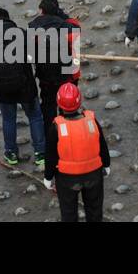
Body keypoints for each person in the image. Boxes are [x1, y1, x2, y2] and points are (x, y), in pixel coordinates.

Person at [0, 8, 45, 168]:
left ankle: (11, 153)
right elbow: (34, 54)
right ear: (8, 18)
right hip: (25, 85)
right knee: (35, 117)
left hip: (3, 87)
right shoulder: (20, 33)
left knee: (8, 119)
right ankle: (40, 154)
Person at [43, 83, 109, 222]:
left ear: (59, 103)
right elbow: (102, 143)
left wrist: (48, 177)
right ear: (79, 102)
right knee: (95, 211)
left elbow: (51, 156)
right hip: (94, 175)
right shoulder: (91, 120)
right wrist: (106, 164)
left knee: (69, 214)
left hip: (67, 179)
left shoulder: (56, 127)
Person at [29, 0, 81, 134]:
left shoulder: (32, 26)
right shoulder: (66, 26)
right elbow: (76, 30)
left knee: (48, 104)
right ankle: (67, 129)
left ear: (41, 10)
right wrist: (63, 15)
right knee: (66, 104)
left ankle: (51, 131)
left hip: (45, 74)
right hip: (66, 74)